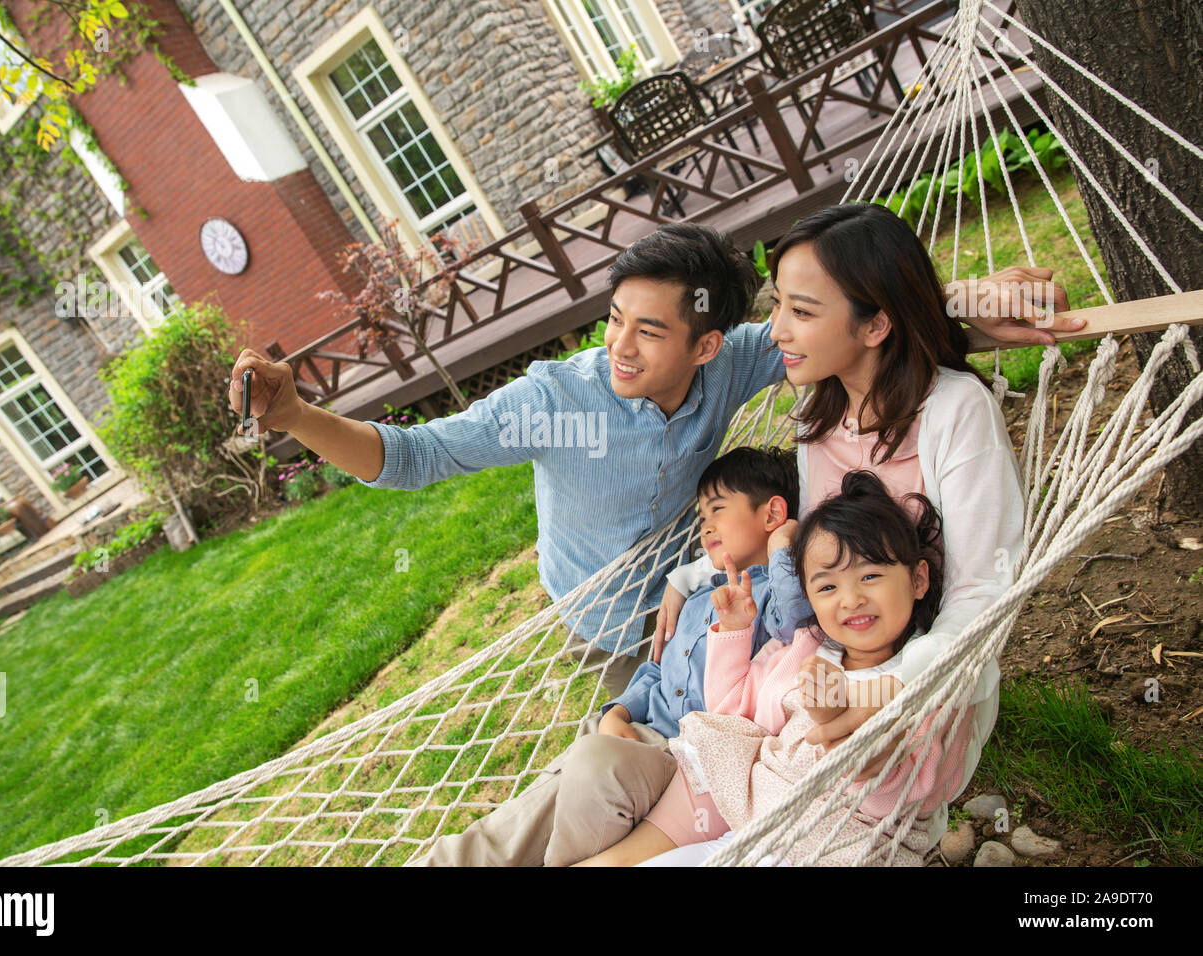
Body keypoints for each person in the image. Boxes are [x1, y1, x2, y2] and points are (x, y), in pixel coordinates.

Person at [228, 219, 1072, 694]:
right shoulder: (553, 403)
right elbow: (410, 457)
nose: (620, 349)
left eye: (650, 331)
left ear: (707, 347)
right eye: (614, 321)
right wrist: (297, 413)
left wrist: (973, 298)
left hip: (715, 588)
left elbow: (849, 323)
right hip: (604, 620)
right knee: (641, 737)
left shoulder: (742, 356)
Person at [656, 203, 1024, 802]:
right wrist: (693, 575)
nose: (776, 330)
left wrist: (885, 689)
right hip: (819, 669)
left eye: (801, 311)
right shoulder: (818, 418)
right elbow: (815, 559)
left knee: (740, 810)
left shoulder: (955, 412)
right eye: (778, 304)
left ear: (876, 325)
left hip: (922, 691)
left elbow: (982, 598)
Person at [413, 446, 814, 866]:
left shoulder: (773, 595)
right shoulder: (696, 596)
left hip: (687, 754)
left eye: (717, 510)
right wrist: (619, 711)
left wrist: (785, 543)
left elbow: (797, 619)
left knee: (587, 770)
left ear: (771, 514)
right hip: (635, 735)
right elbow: (655, 670)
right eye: (701, 518)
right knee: (530, 816)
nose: (706, 526)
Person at [577, 471, 974, 867]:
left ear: (918, 578)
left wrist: (869, 756)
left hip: (832, 847)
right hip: (751, 826)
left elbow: (918, 789)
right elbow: (732, 710)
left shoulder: (926, 675)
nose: (851, 600)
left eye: (870, 576)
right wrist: (735, 631)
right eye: (827, 587)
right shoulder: (804, 650)